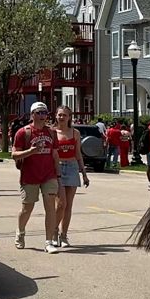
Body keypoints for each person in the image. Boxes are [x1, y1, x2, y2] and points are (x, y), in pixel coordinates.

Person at [12, 101, 61, 254]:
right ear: (32, 114)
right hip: (30, 175)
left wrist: (58, 175)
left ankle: (48, 241)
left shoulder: (52, 133)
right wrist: (30, 152)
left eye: (44, 113)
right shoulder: (23, 132)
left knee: (50, 207)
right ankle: (20, 232)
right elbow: (14, 154)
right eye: (38, 113)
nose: (42, 116)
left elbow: (55, 154)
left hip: (49, 175)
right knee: (27, 208)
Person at [51, 105, 89, 248]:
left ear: (69, 117)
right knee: (61, 204)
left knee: (68, 206)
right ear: (56, 115)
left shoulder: (75, 133)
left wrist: (84, 174)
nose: (62, 117)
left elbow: (78, 154)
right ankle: (53, 232)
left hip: (72, 167)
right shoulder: (52, 132)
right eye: (59, 114)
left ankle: (64, 235)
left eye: (64, 115)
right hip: (57, 168)